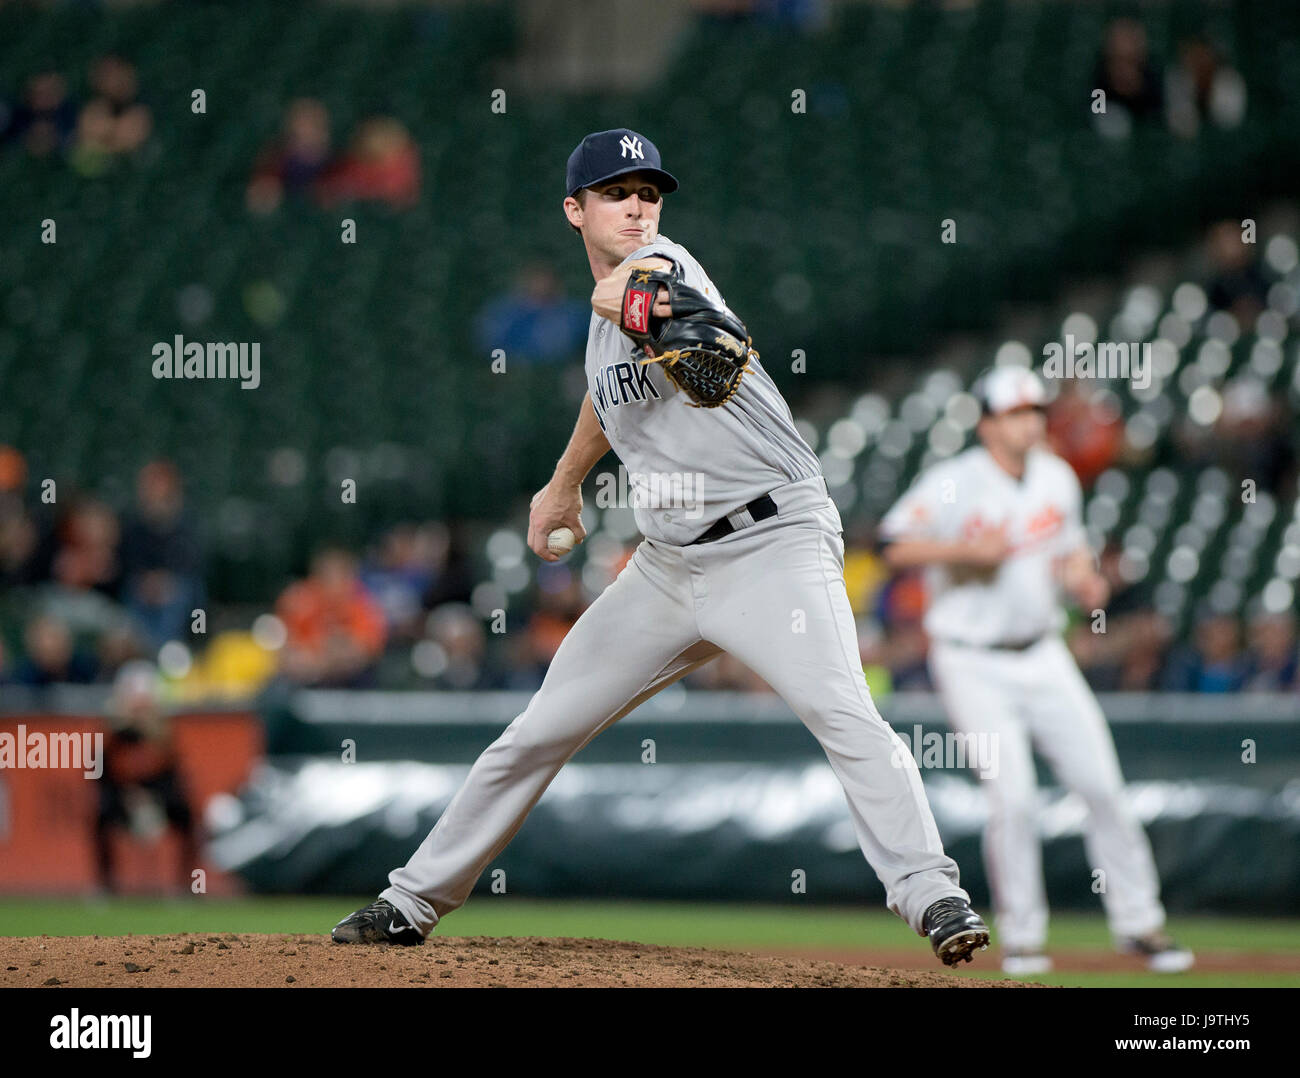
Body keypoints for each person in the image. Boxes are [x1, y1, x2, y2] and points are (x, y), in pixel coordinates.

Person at [332, 128, 989, 966]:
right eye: (617, 192)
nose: (639, 205)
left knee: (843, 713)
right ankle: (410, 901)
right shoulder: (605, 323)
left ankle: (933, 893)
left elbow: (694, 344)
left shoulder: (664, 266)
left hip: (772, 543)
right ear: (575, 210)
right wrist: (563, 482)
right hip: (668, 565)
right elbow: (610, 402)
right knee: (536, 731)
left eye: (649, 191)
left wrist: (647, 305)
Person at [878, 366, 1193, 975]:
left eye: (1034, 412)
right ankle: (1023, 937)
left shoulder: (1056, 477)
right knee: (1014, 799)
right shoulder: (953, 481)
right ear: (989, 423)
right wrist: (962, 552)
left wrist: (1082, 576)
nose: (1030, 421)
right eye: (1017, 413)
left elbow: (1069, 549)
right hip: (971, 660)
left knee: (1103, 787)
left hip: (1045, 651)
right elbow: (890, 545)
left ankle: (1140, 924)